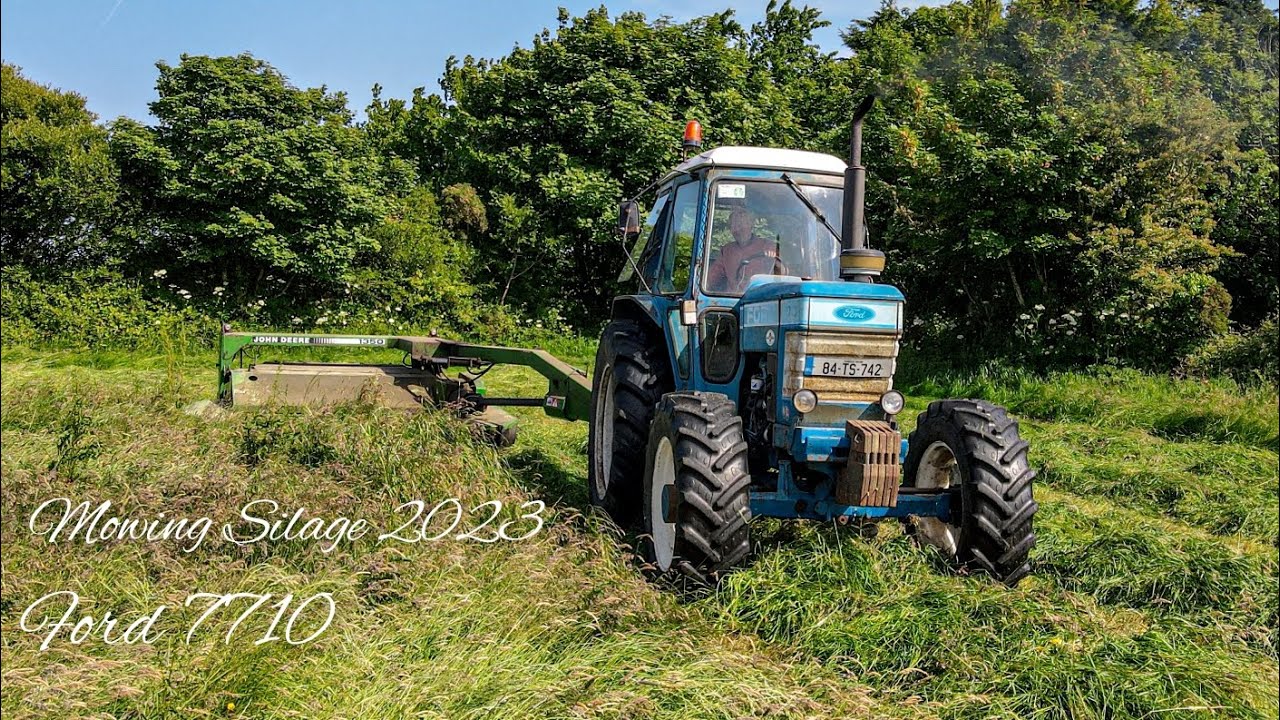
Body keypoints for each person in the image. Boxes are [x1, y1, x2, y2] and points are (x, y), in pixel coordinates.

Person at [706, 207, 783, 294]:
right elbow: (712, 277)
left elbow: (783, 276)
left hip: (759, 298)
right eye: (734, 226)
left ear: (751, 225)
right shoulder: (726, 250)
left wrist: (775, 262)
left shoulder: (767, 246)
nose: (738, 230)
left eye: (741, 225)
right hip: (731, 299)